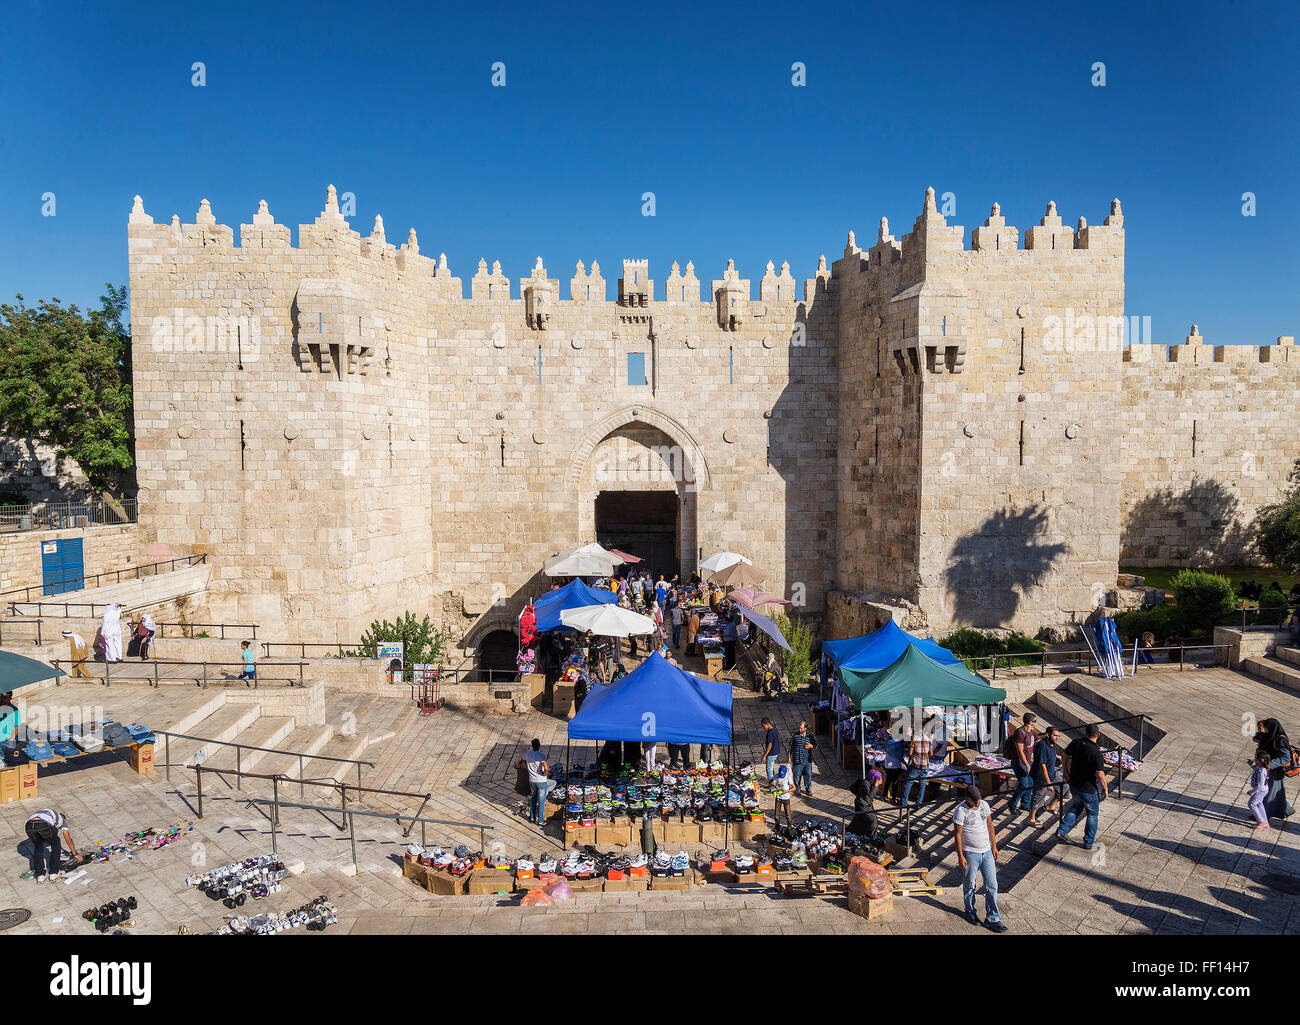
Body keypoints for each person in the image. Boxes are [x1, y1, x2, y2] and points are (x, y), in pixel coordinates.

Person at [954, 784, 1007, 932]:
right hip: (970, 853)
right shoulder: (960, 810)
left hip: (987, 851)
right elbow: (958, 834)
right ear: (967, 799)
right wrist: (960, 856)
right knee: (970, 884)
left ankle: (993, 918)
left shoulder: (984, 804)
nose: (978, 802)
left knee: (992, 885)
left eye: (979, 799)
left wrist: (994, 846)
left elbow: (990, 826)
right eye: (975, 800)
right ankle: (970, 911)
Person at [1056, 724, 1108, 851]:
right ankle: (1088, 842)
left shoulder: (1076, 743)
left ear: (1086, 733)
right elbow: (1100, 775)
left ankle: (1062, 830)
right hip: (1088, 788)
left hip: (1074, 784)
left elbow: (1064, 756)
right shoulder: (1096, 753)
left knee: (1077, 806)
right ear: (1098, 735)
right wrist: (1105, 789)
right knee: (1092, 813)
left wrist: (1066, 772)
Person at [1253, 717, 1295, 819]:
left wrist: (1269, 765)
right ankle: (1286, 810)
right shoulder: (1270, 736)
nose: (1263, 730)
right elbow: (1257, 737)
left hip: (1275, 770)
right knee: (1274, 792)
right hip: (1268, 769)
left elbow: (1285, 757)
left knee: (1269, 793)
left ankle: (1263, 816)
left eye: (1265, 728)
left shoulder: (1280, 740)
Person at [25, 808, 77, 883]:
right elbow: (67, 838)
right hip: (42, 823)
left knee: (38, 847)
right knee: (56, 843)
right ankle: (54, 873)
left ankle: (40, 875)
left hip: (29, 825)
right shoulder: (62, 821)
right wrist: (74, 853)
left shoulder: (50, 814)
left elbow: (45, 838)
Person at [1027, 726, 1063, 826]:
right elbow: (1042, 765)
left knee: (1064, 788)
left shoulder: (1051, 744)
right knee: (1038, 796)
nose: (1057, 738)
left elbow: (1048, 754)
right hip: (1041, 776)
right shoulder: (1042, 745)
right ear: (1047, 735)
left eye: (1058, 736)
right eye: (1055, 735)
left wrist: (1058, 756)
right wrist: (1048, 783)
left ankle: (1050, 807)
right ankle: (1031, 819)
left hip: (1052, 773)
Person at [1006, 712, 1038, 813]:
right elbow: (1020, 751)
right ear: (1030, 722)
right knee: (1024, 784)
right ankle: (1012, 803)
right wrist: (1027, 765)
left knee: (1030, 783)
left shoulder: (1032, 732)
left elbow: (1038, 742)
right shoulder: (1020, 732)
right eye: (1035, 721)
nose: (1036, 723)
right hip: (1019, 763)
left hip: (1029, 762)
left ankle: (1025, 804)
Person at [900, 721, 934, 809]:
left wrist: (911, 754)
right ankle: (918, 804)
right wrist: (925, 757)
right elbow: (931, 753)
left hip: (916, 765)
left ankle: (904, 803)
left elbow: (910, 753)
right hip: (925, 765)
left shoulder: (914, 739)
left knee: (908, 783)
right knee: (922, 784)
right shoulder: (928, 739)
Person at [517, 739, 553, 825]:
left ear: (532, 745)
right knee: (541, 801)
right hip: (541, 780)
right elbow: (546, 767)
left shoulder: (528, 753)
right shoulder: (541, 755)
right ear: (539, 745)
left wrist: (517, 766)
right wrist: (545, 773)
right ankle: (540, 820)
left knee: (533, 799)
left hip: (532, 780)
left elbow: (520, 762)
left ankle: (532, 817)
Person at [848, 769, 882, 839]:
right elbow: (868, 798)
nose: (880, 780)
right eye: (878, 778)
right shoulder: (865, 784)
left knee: (859, 818)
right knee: (873, 819)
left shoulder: (869, 781)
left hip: (862, 803)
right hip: (862, 805)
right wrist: (876, 786)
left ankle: (853, 831)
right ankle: (869, 836)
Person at [1248, 748, 1272, 830]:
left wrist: (1251, 792)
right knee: (1259, 804)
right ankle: (1265, 822)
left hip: (1260, 790)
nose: (1254, 759)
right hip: (1263, 790)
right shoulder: (1261, 769)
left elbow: (1260, 786)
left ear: (1259, 761)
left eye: (1255, 758)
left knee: (1252, 804)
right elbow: (1256, 769)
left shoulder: (1262, 772)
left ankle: (1260, 821)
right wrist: (1252, 765)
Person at [789, 720, 815, 796]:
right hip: (797, 759)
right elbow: (791, 747)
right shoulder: (795, 736)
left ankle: (808, 789)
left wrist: (811, 746)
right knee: (797, 776)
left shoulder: (810, 737)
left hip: (807, 760)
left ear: (805, 728)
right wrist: (789, 757)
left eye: (801, 728)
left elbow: (816, 745)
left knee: (808, 775)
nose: (800, 729)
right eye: (799, 728)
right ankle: (797, 789)